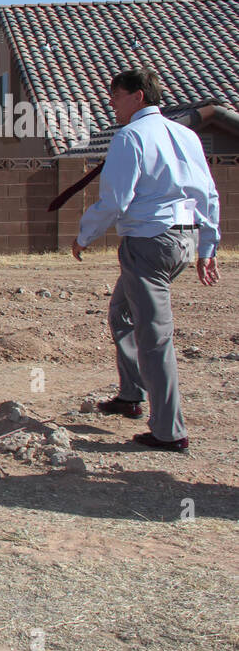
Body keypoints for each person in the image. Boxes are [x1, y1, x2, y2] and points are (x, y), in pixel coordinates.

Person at [72, 68, 221, 452]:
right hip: (182, 240)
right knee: (122, 312)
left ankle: (169, 432)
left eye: (115, 97)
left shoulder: (130, 137)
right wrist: (207, 245)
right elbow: (208, 193)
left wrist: (84, 235)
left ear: (138, 96)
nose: (112, 106)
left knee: (154, 337)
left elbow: (116, 200)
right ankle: (131, 393)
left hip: (149, 243)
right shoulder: (186, 136)